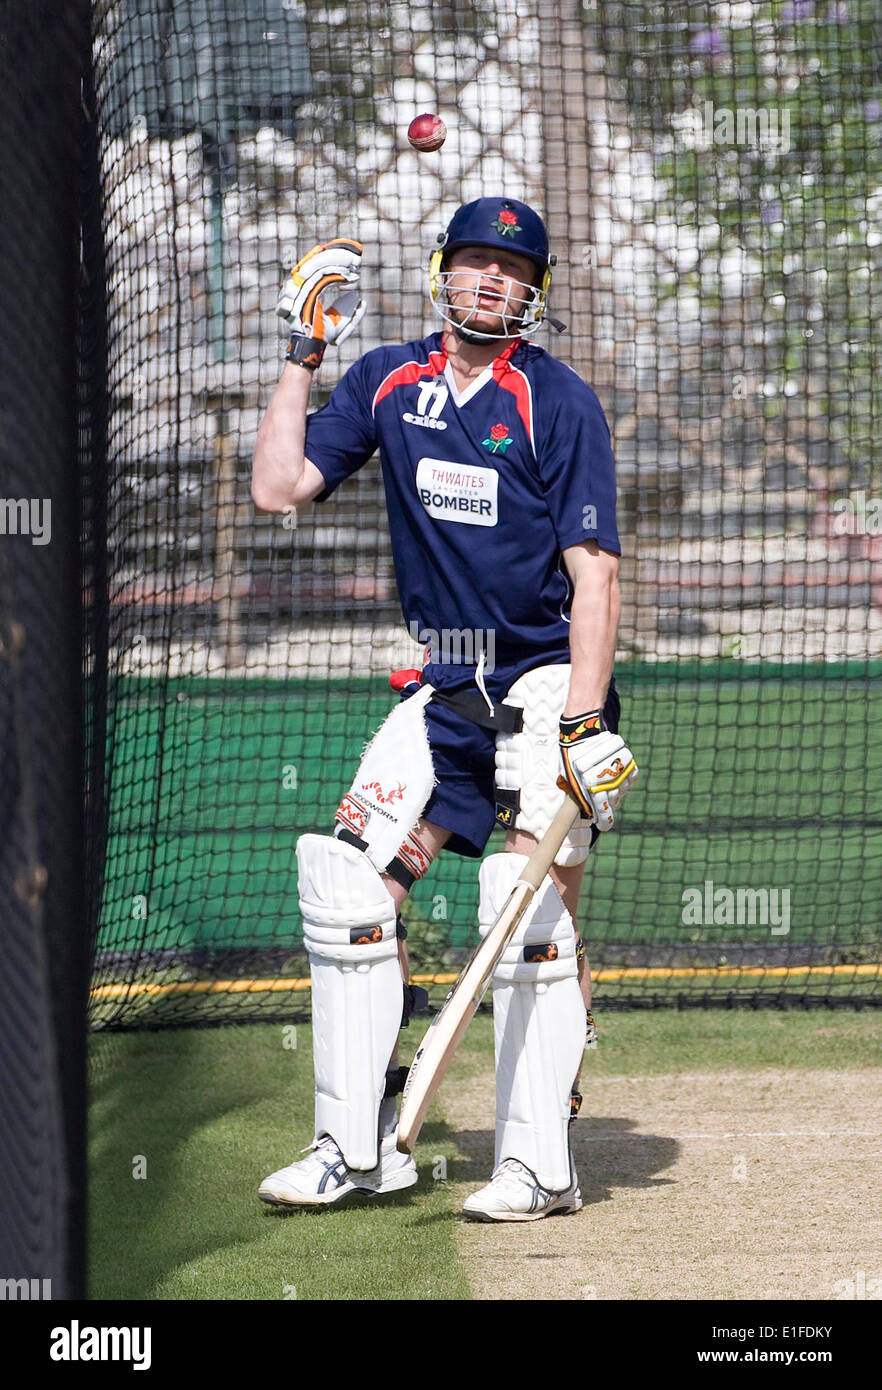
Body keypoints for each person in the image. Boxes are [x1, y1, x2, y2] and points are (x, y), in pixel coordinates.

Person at [251, 197, 638, 1221]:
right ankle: (354, 1146)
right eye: (475, 262)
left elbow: (594, 577)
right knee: (346, 878)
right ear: (443, 271)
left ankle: (539, 1162)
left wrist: (588, 722)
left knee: (525, 896)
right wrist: (300, 353)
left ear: (535, 292)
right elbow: (279, 485)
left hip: (547, 676)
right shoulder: (388, 379)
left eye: (513, 270)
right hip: (447, 683)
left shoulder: (560, 403)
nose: (492, 282)